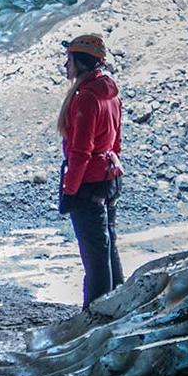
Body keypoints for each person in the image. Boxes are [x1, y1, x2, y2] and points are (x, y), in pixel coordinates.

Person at [56, 33, 125, 307]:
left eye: (68, 59)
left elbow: (80, 152)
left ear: (80, 62)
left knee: (95, 253)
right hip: (109, 178)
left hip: (89, 182)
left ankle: (96, 313)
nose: (65, 66)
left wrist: (69, 191)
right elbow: (116, 141)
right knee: (107, 248)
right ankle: (118, 303)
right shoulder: (110, 93)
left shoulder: (85, 98)